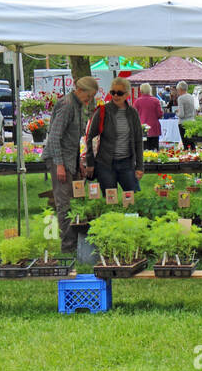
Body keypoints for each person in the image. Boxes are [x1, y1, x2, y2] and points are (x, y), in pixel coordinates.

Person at [43, 74, 97, 254]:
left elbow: (72, 138)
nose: (89, 100)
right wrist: (59, 165)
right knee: (64, 203)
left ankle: (75, 244)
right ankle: (68, 247)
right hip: (60, 160)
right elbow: (55, 137)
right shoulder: (67, 106)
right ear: (79, 90)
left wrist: (78, 162)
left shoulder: (77, 105)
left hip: (69, 159)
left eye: (91, 98)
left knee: (75, 202)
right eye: (88, 96)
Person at [85, 77, 143, 195]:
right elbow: (90, 137)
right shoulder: (103, 111)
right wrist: (90, 163)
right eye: (113, 92)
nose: (115, 96)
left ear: (127, 94)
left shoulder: (133, 113)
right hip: (105, 164)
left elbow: (138, 141)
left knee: (132, 199)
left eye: (119, 93)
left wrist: (140, 167)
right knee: (110, 200)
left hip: (127, 163)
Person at [134, 82, 162, 151]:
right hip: (154, 128)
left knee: (144, 149)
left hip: (142, 128)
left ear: (141, 91)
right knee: (155, 148)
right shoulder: (156, 100)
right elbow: (159, 114)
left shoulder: (137, 101)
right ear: (150, 90)